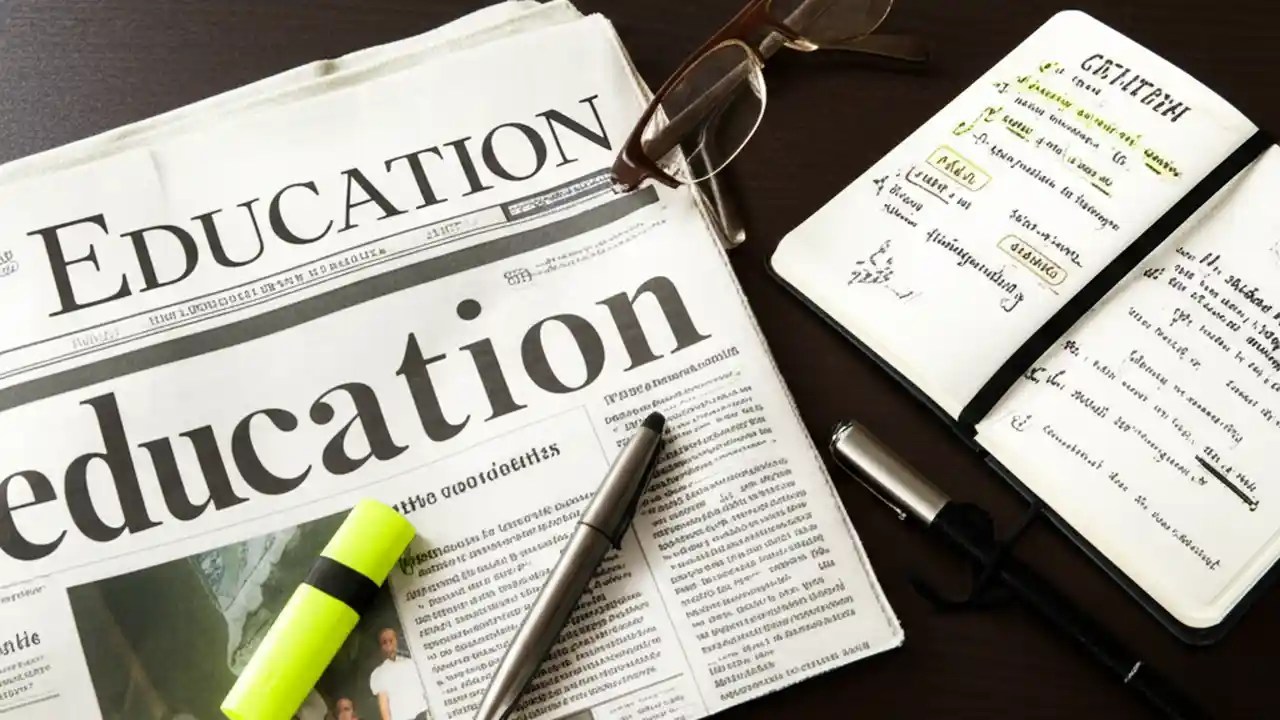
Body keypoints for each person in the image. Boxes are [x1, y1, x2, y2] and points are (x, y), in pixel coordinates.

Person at [369, 628, 429, 720]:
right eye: (384, 642)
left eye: (391, 640)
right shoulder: (379, 673)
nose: (388, 644)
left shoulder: (411, 663)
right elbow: (384, 706)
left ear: (396, 641)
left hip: (423, 715)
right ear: (380, 646)